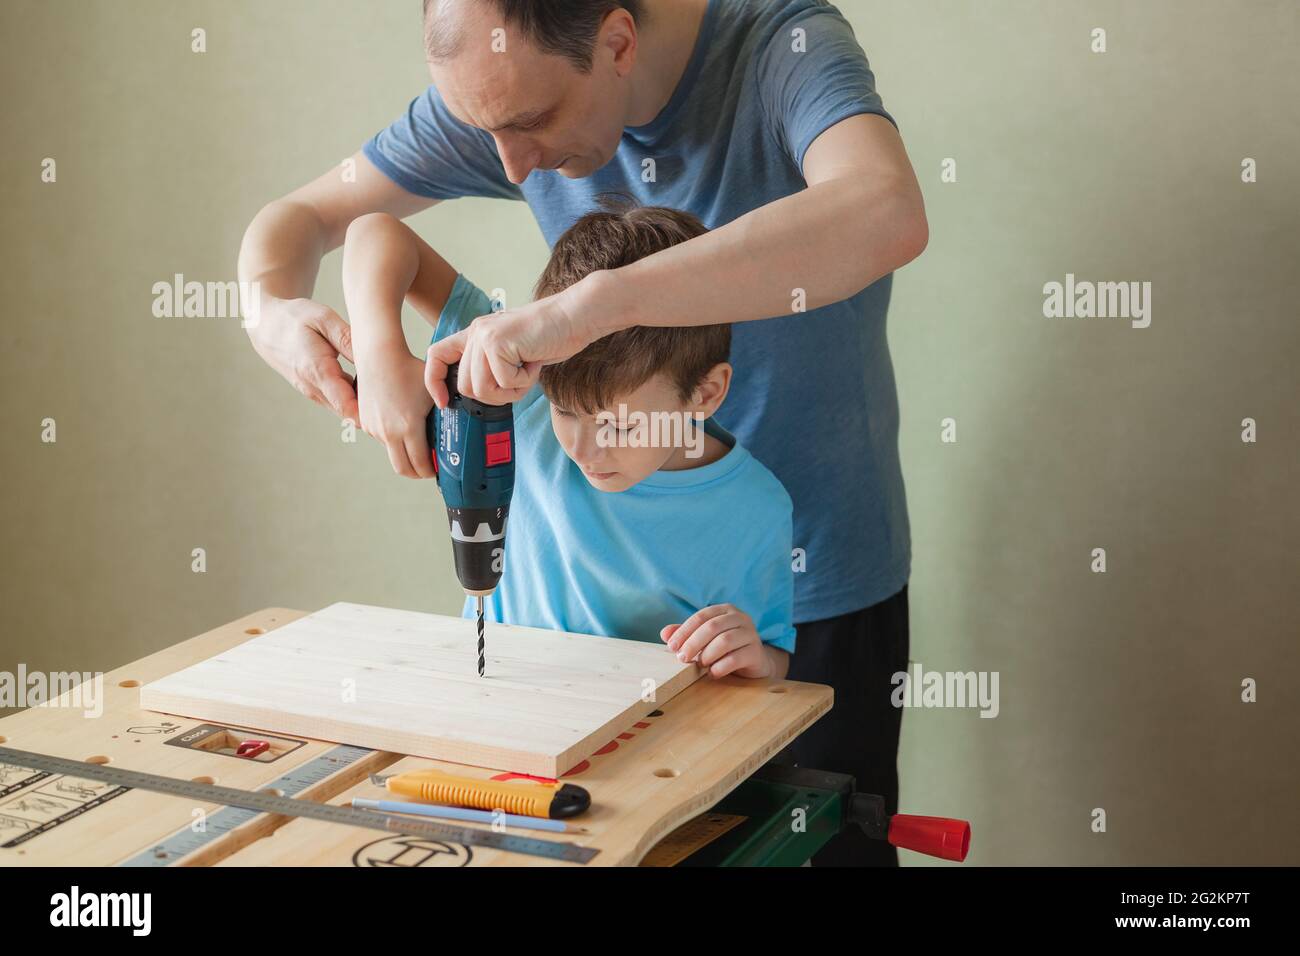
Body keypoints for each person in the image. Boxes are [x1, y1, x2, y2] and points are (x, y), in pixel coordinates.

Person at [239, 0, 927, 865]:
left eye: (530, 125)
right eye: (484, 130)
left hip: (804, 590)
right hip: (589, 660)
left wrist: (587, 311)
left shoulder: (783, 46)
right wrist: (292, 320)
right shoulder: (507, 79)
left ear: (617, 41)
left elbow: (886, 210)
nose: (512, 165)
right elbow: (309, 222)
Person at [342, 203, 796, 679]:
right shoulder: (522, 388)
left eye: (619, 427)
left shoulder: (756, 510)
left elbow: (772, 662)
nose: (582, 449)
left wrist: (753, 657)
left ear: (705, 394)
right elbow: (375, 231)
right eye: (564, 411)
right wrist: (378, 358)